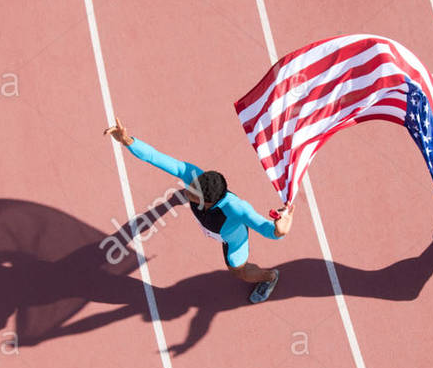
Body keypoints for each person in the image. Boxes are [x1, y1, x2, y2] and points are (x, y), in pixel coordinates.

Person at [104, 116, 295, 302]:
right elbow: (156, 158)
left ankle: (270, 277)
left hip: (232, 238)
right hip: (211, 224)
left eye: (193, 192)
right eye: (192, 185)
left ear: (209, 201)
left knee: (239, 271)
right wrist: (127, 141)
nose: (188, 188)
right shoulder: (195, 177)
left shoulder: (238, 209)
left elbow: (269, 230)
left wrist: (280, 230)